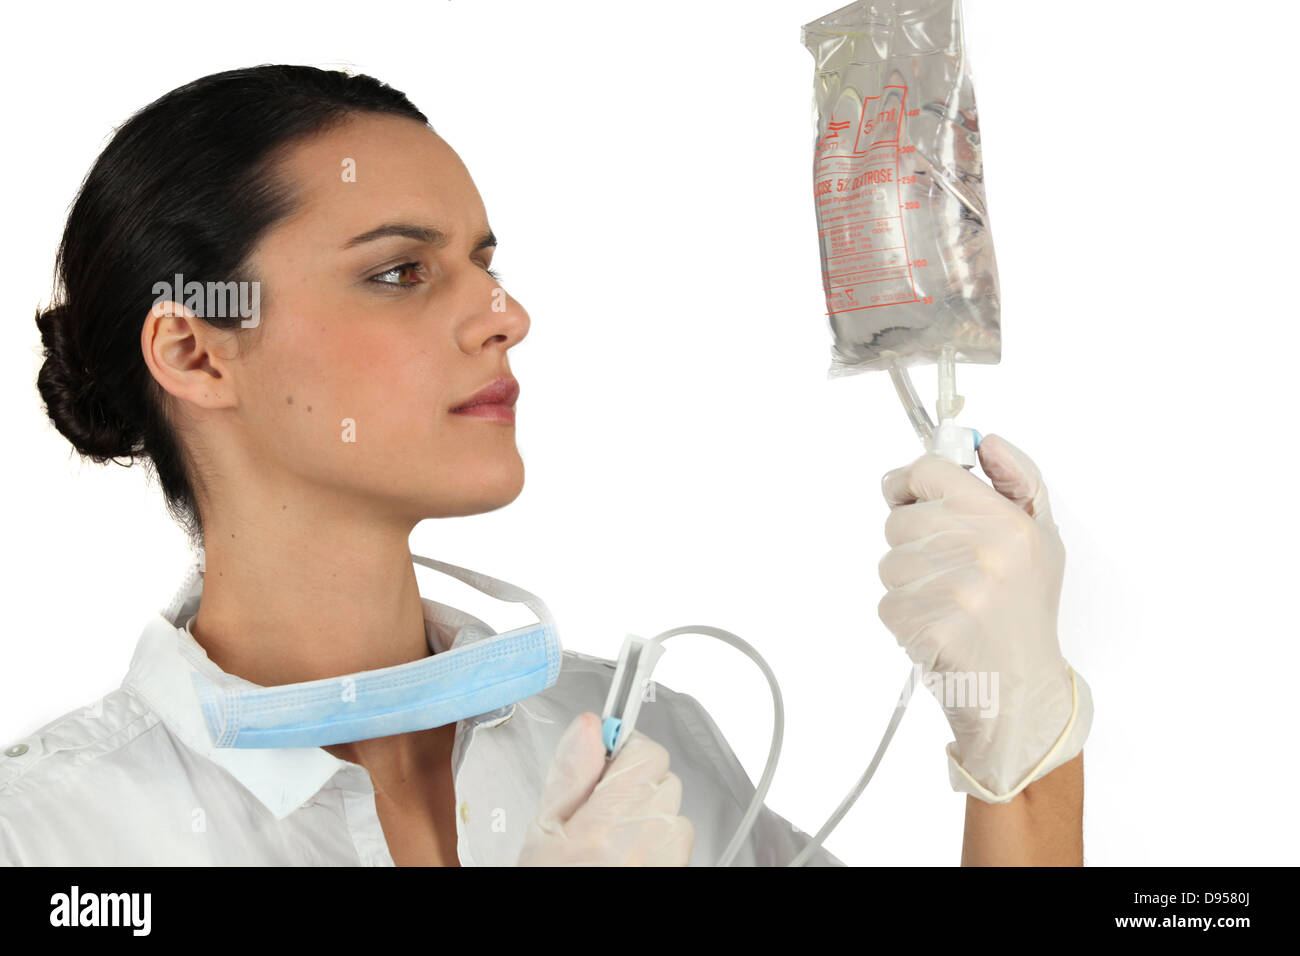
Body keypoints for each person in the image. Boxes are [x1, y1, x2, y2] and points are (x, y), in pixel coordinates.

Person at [2, 65, 1087, 866]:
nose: (504, 315)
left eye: (484, 262)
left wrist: (1024, 738)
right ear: (196, 351)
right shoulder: (53, 837)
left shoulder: (642, 749)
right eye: (399, 271)